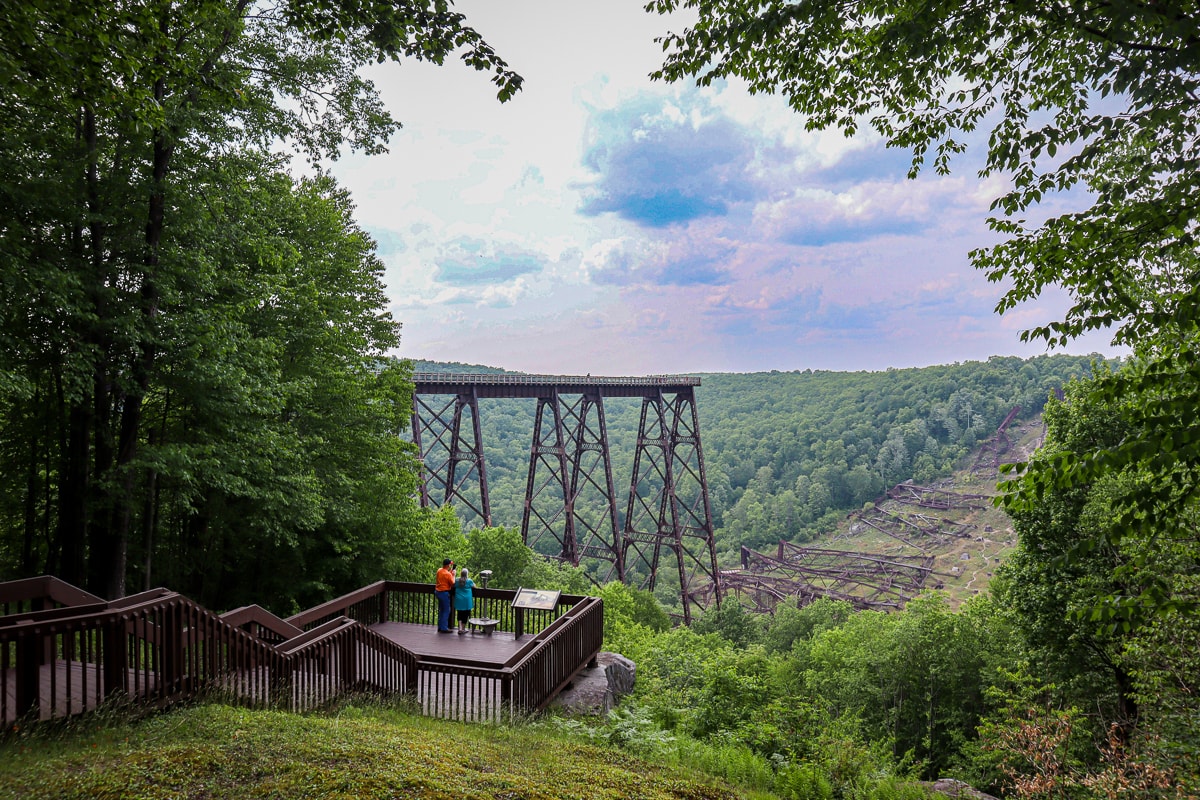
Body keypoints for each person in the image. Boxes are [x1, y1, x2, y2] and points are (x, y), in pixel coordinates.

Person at [434, 558, 455, 632]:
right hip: (444, 593)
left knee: (441, 610)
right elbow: (452, 584)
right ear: (448, 565)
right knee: (446, 610)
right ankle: (444, 628)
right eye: (450, 564)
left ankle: (440, 626)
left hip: (437, 592)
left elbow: (445, 576)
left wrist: (450, 573)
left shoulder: (439, 570)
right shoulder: (448, 574)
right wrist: (453, 575)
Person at [452, 567, 475, 634]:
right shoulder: (469, 581)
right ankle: (463, 628)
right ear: (467, 574)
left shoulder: (457, 580)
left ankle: (459, 628)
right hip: (467, 601)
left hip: (459, 599)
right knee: (466, 614)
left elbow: (453, 585)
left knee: (459, 613)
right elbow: (474, 586)